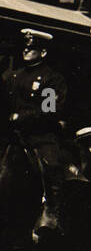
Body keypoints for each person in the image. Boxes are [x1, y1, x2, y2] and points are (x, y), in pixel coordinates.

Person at [2, 27, 69, 235]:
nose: (26, 51)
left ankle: (51, 210)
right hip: (12, 134)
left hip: (40, 135)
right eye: (25, 48)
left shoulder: (51, 79)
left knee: (51, 164)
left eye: (31, 49)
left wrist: (21, 117)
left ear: (43, 52)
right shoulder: (11, 76)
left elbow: (49, 109)